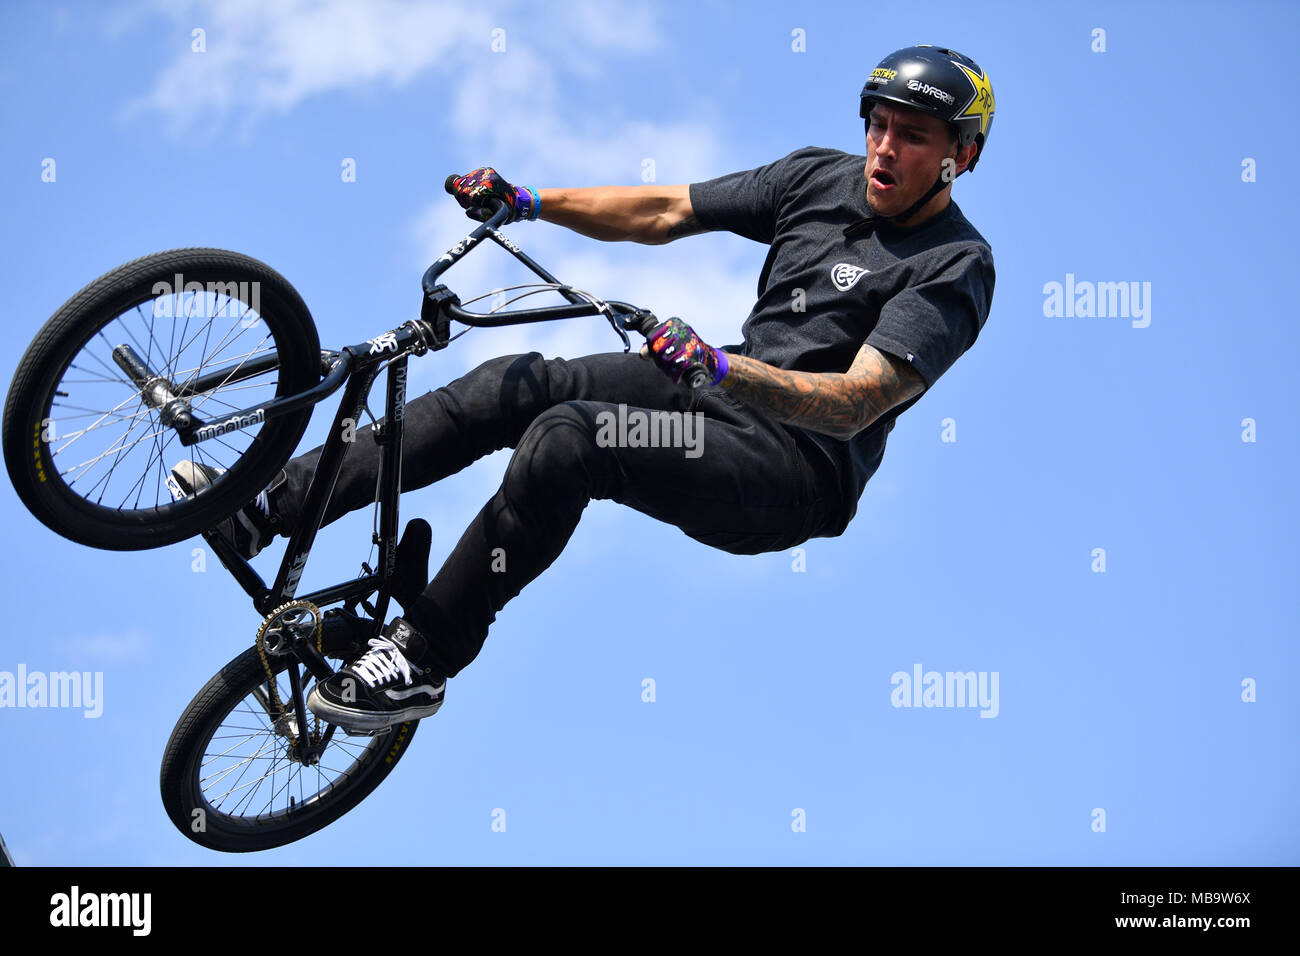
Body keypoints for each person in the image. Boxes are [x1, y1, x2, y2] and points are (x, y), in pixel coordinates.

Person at [169, 44, 997, 734]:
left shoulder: (955, 265)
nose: (885, 149)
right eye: (879, 125)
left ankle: (421, 656)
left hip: (790, 470)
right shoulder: (820, 178)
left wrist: (717, 366)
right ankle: (267, 510)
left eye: (915, 137)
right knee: (512, 384)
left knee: (575, 439)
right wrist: (529, 202)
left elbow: (856, 401)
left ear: (959, 156)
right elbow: (666, 209)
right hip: (716, 395)